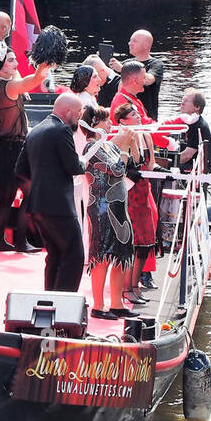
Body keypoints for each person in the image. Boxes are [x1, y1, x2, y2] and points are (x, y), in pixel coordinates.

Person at [15, 92, 87, 293]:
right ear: (68, 111)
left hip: (38, 206)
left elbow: (20, 170)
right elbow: (74, 167)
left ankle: (51, 301)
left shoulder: (35, 131)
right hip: (59, 206)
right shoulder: (62, 130)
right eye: (79, 112)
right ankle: (64, 306)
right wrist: (83, 162)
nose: (80, 117)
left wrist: (38, 186)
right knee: (74, 255)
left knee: (55, 255)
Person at [108, 62, 157, 307]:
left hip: (142, 189)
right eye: (135, 115)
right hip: (131, 193)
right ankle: (127, 287)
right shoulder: (125, 134)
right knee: (135, 240)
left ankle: (134, 285)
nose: (140, 116)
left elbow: (148, 161)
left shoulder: (139, 132)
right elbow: (119, 163)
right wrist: (133, 172)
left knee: (145, 241)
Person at [84, 104, 138, 319]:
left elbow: (132, 163)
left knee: (120, 253)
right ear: (95, 124)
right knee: (103, 254)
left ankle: (116, 302)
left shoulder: (108, 146)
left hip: (117, 204)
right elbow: (117, 169)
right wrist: (124, 146)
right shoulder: (91, 149)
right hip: (101, 207)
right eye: (106, 120)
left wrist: (129, 145)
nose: (110, 124)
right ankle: (98, 304)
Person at [0, 49, 38, 254]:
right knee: (27, 193)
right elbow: (33, 80)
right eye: (11, 60)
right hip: (13, 147)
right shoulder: (9, 86)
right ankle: (20, 241)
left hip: (4, 147)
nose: (16, 63)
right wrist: (43, 66)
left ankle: (2, 240)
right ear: (0, 66)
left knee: (7, 196)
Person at [176, 88, 211, 175]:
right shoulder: (189, 122)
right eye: (182, 100)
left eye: (186, 101)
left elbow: (186, 156)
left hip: (197, 171)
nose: (182, 103)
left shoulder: (198, 126)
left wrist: (165, 161)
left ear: (197, 107)